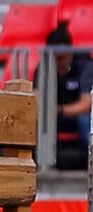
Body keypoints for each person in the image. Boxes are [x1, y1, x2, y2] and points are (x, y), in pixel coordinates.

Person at [35, 23, 91, 160]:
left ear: (70, 51)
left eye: (62, 58)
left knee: (86, 122)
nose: (59, 63)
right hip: (53, 115)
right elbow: (35, 96)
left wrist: (59, 110)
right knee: (34, 121)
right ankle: (43, 164)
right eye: (55, 58)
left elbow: (87, 104)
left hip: (78, 114)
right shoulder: (44, 67)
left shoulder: (86, 66)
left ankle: (89, 163)